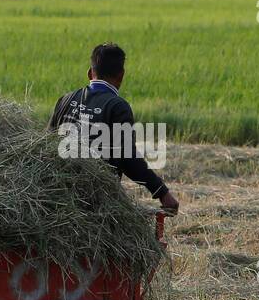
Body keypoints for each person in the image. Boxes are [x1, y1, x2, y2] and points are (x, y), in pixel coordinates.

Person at [48, 43, 180, 214]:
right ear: (121, 75)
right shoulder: (117, 107)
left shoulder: (66, 99)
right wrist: (162, 192)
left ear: (90, 72)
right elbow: (127, 158)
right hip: (95, 203)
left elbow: (47, 144)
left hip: (58, 196)